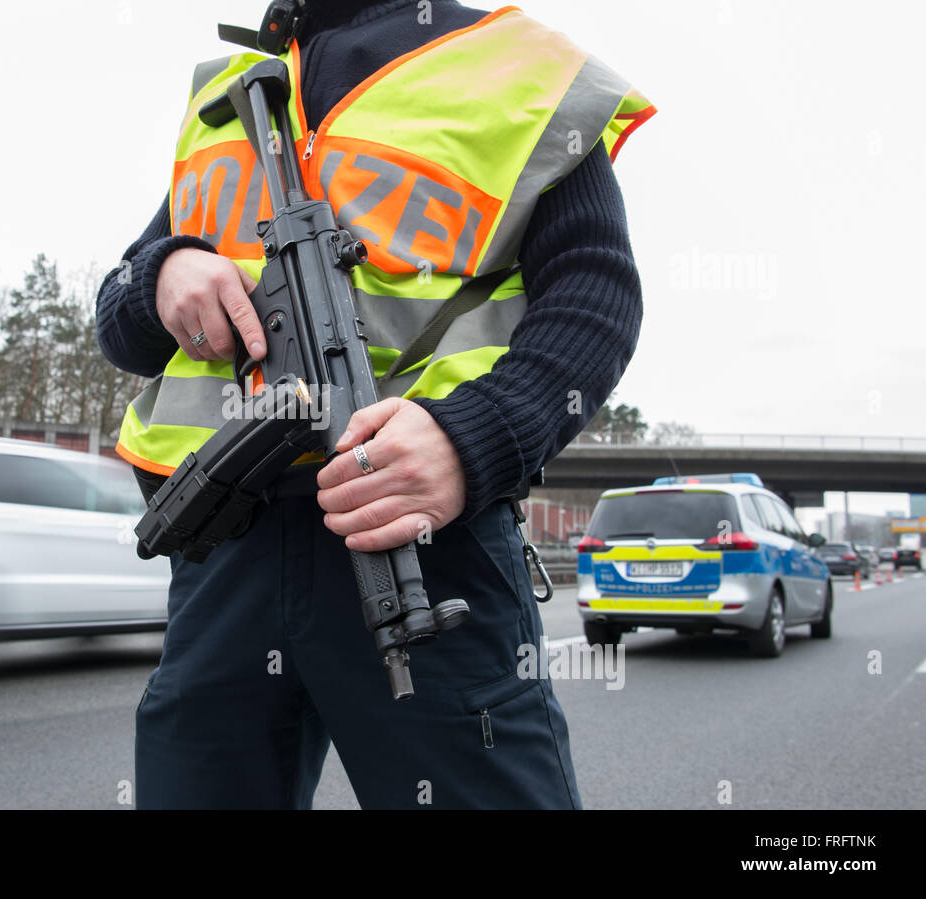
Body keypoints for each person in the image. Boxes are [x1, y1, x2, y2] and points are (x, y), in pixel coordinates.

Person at [96, 0, 653, 809]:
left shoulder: (519, 66)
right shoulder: (233, 86)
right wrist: (163, 275)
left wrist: (472, 440)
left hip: (422, 543)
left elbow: (596, 292)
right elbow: (120, 318)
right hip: (222, 546)